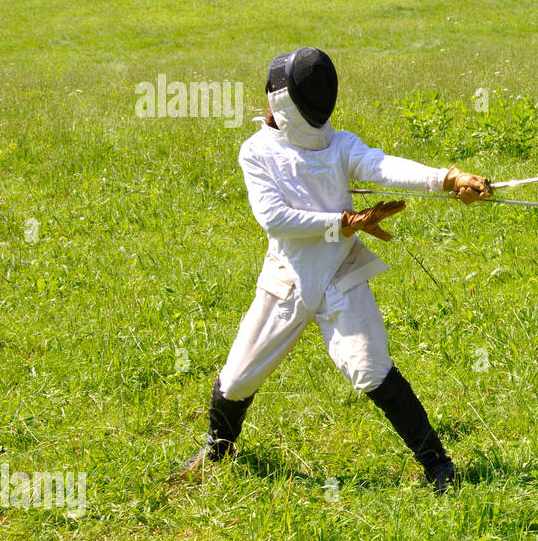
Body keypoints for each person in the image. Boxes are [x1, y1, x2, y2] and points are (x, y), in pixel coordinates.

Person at [178, 47, 491, 492]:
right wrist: (343, 222)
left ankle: (437, 463)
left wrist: (447, 179)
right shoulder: (256, 153)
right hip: (287, 276)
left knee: (371, 368)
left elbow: (383, 166)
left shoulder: (339, 145)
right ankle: (218, 447)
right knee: (238, 375)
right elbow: (274, 219)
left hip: (340, 275)